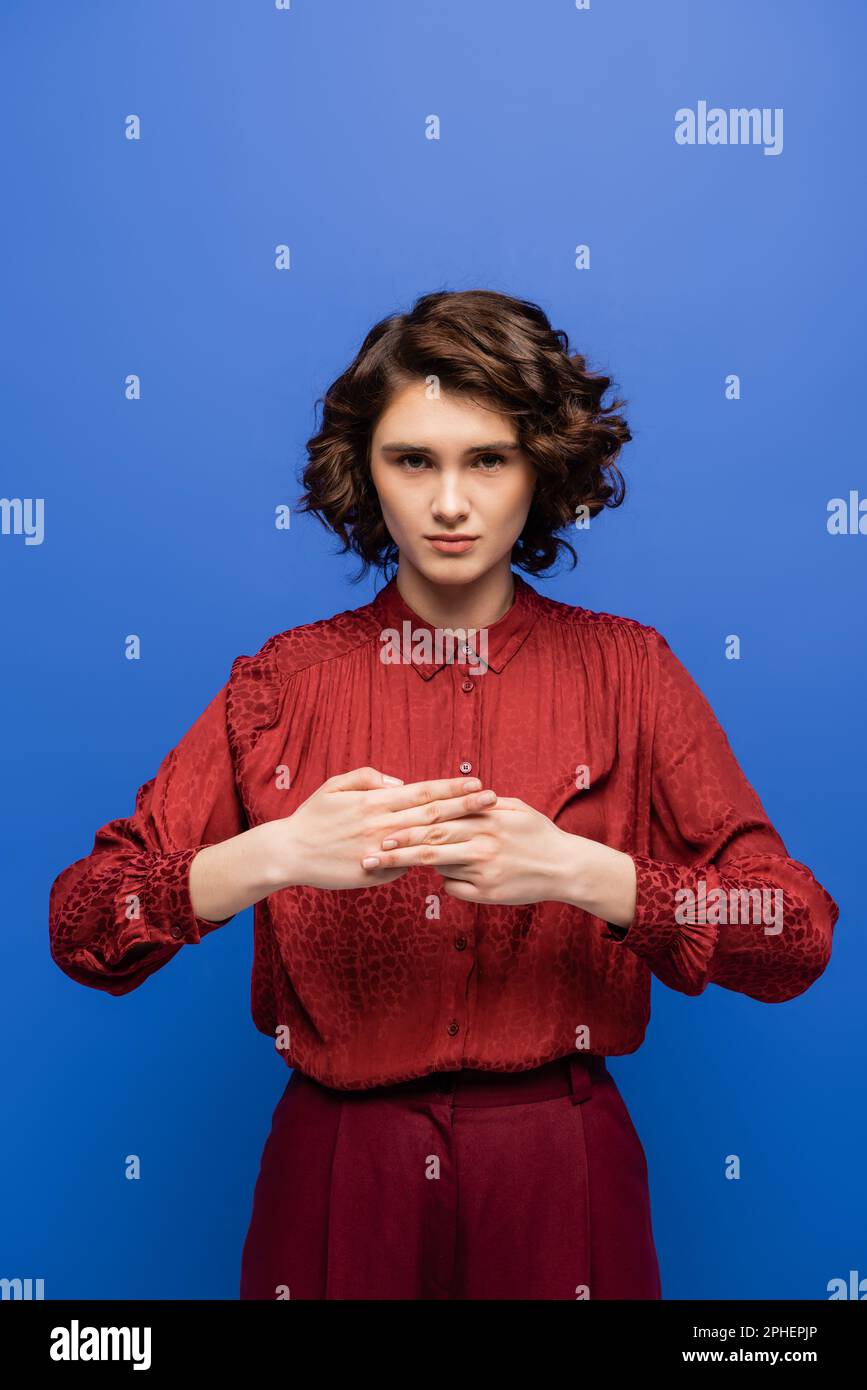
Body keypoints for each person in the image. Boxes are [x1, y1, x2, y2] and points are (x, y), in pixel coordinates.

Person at [48, 288, 839, 1300]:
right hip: (339, 1172)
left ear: (540, 469)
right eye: (413, 459)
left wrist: (590, 874)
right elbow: (81, 923)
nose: (450, 503)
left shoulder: (633, 672)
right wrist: (272, 854)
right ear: (364, 469)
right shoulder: (281, 684)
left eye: (487, 460)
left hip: (562, 1175)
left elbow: (795, 933)